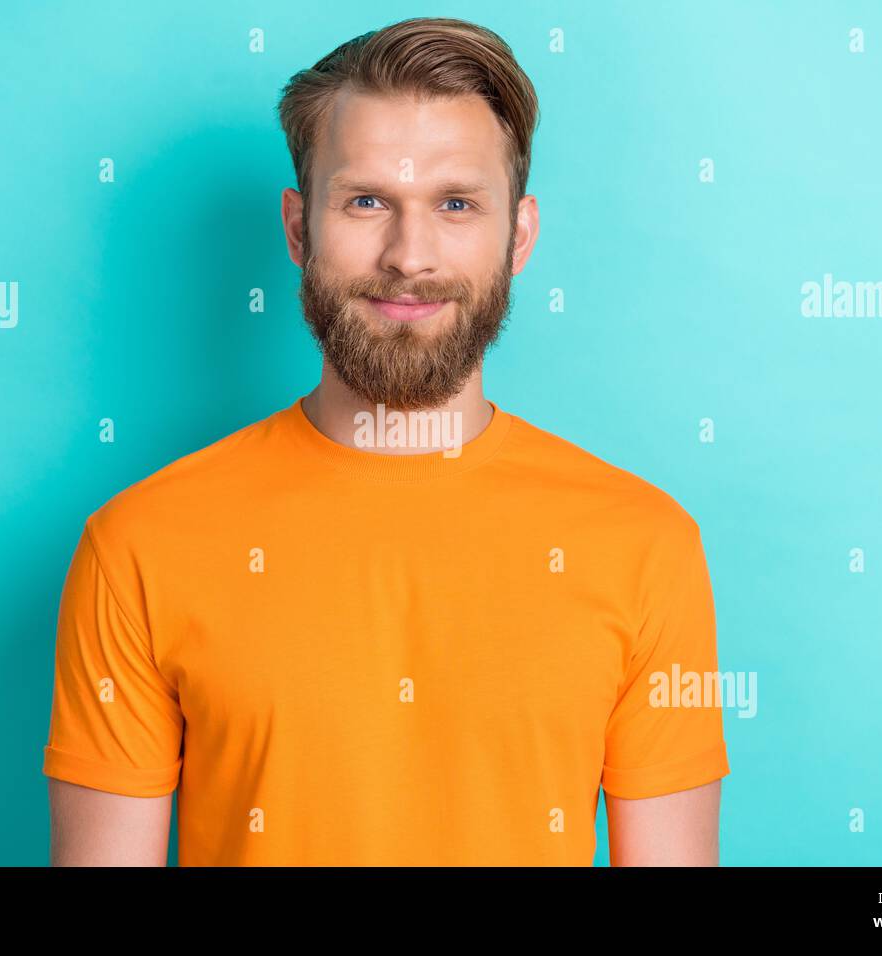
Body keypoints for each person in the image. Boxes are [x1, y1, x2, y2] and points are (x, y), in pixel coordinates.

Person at [43, 16, 730, 866]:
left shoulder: (646, 545)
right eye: (367, 201)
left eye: (455, 204)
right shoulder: (137, 546)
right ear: (298, 230)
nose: (410, 257)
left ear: (519, 235)